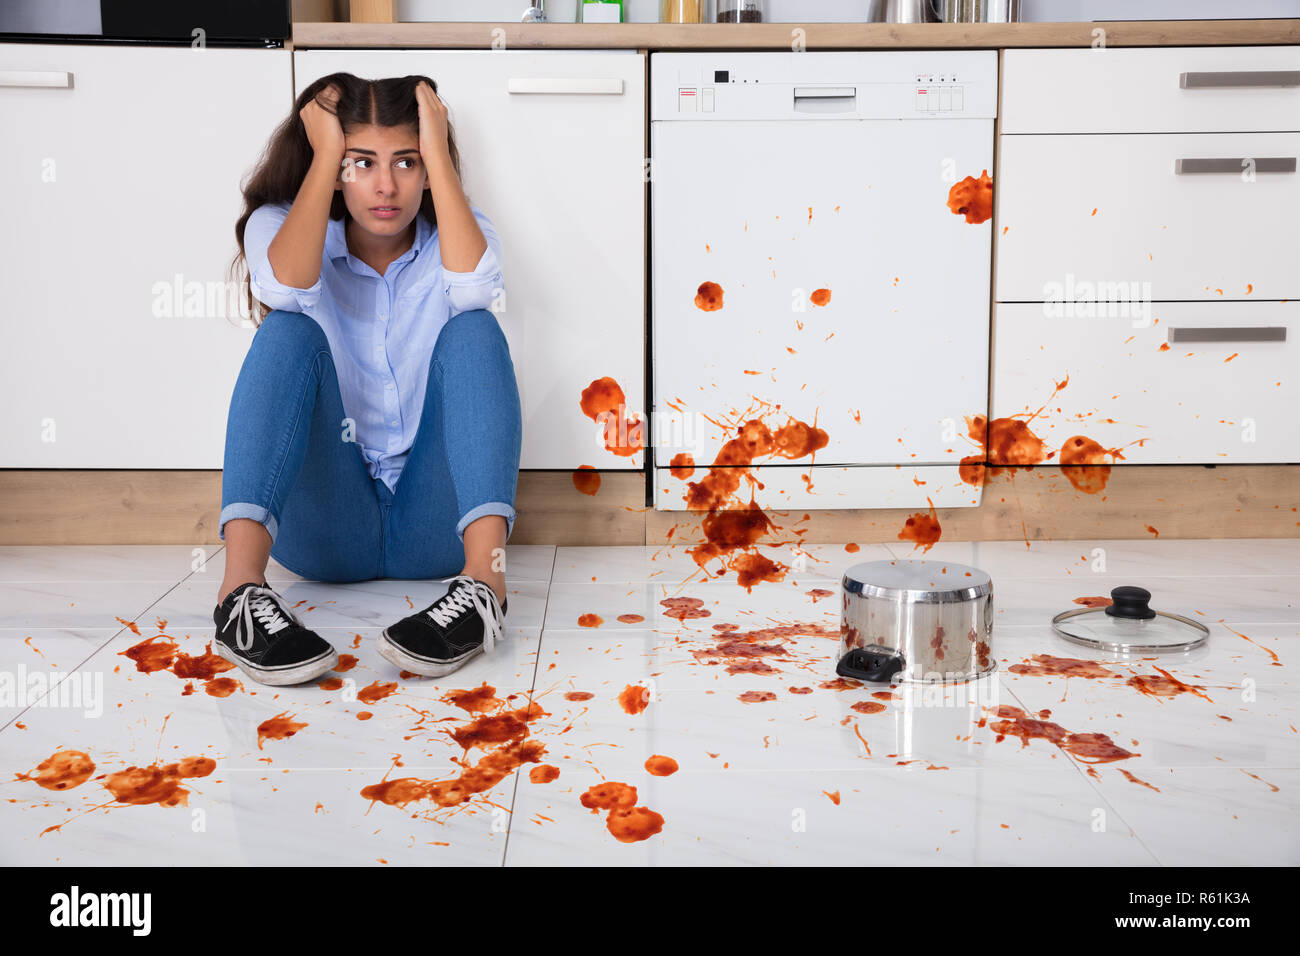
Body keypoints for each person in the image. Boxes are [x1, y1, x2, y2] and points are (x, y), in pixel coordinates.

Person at [214, 72, 521, 686]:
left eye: (406, 161)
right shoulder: (280, 225)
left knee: (475, 328)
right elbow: (285, 288)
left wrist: (437, 151)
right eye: (361, 163)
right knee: (287, 328)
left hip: (434, 522)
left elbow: (476, 286)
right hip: (326, 530)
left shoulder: (461, 233)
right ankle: (238, 597)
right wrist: (326, 154)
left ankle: (485, 588)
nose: (385, 186)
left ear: (430, 167)